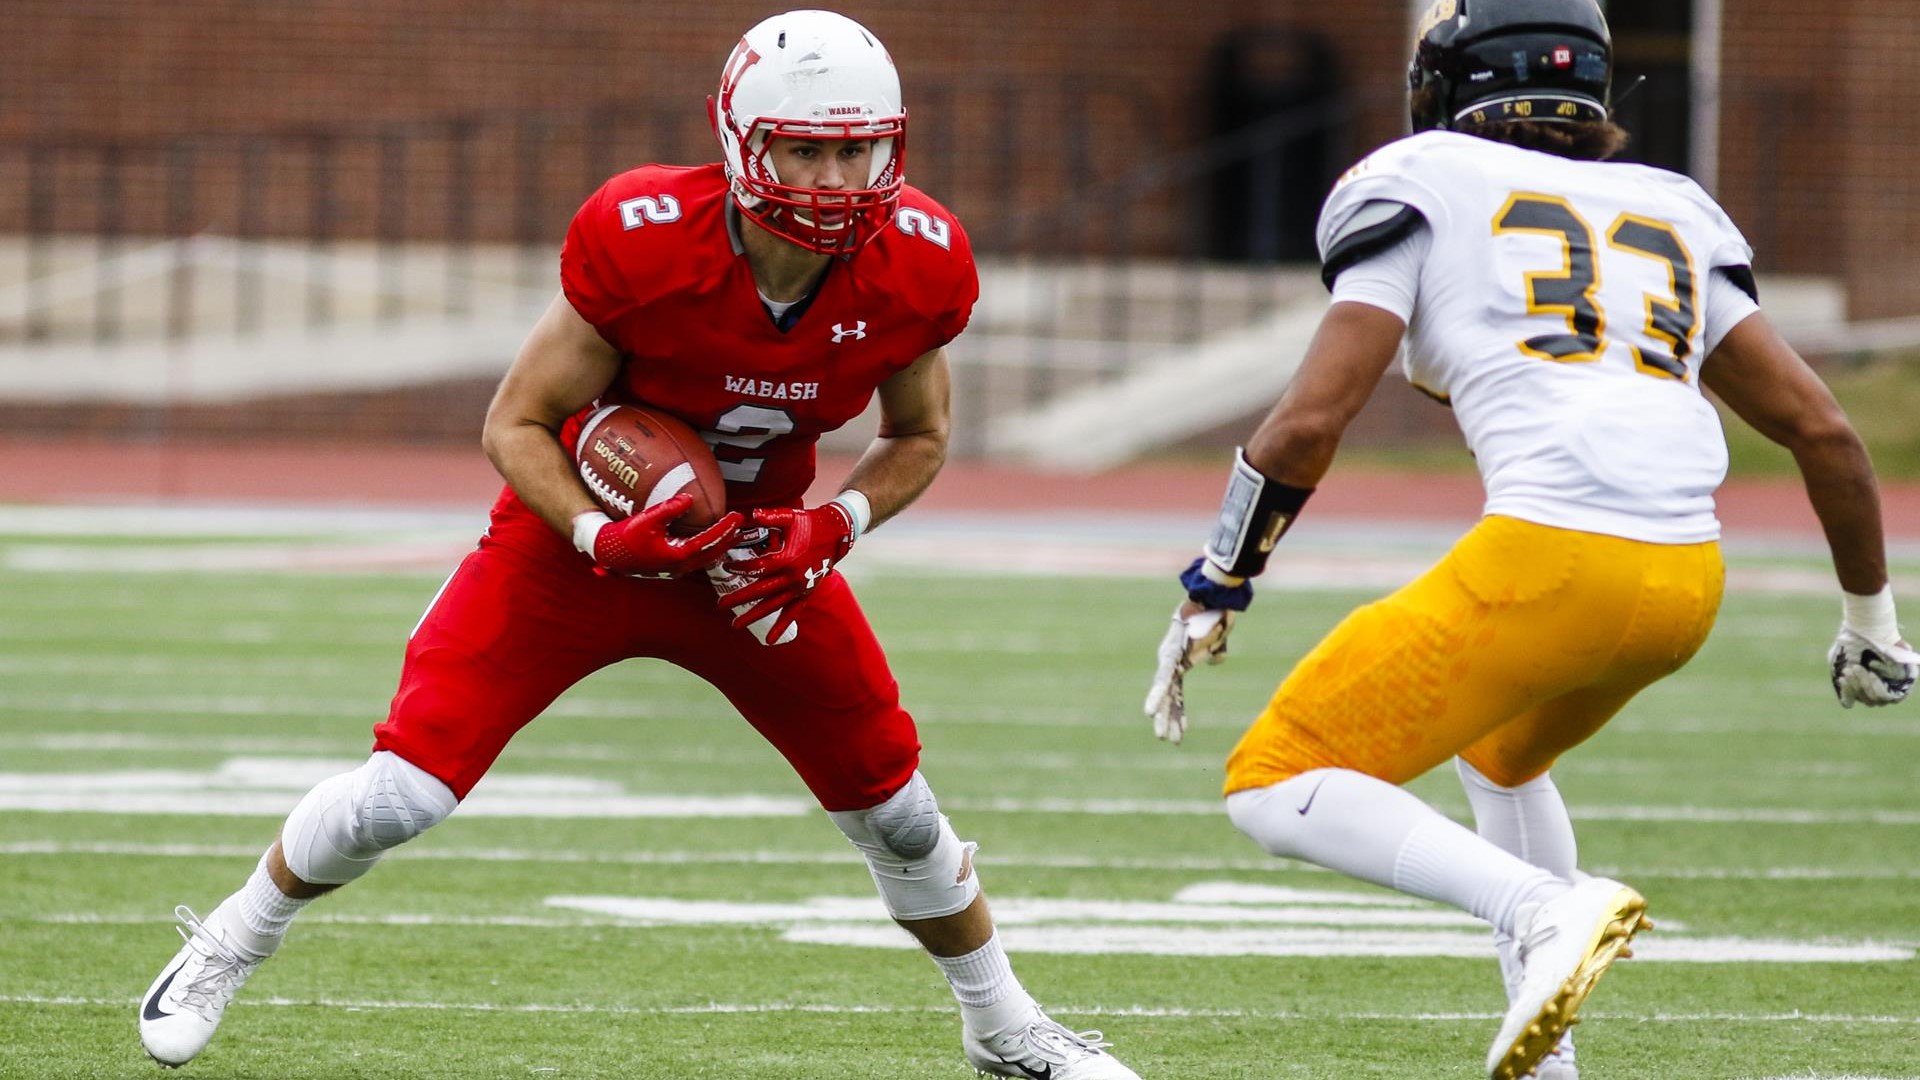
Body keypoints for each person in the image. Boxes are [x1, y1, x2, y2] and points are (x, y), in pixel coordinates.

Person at [137, 11, 1140, 1079]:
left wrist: (829, 525)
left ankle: (1002, 1026)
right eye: (805, 150)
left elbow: (920, 435)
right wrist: (597, 531)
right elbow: (515, 422)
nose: (835, 179)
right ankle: (233, 938)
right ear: (742, 142)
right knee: (403, 795)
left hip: (755, 563)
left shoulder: (918, 263)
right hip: (578, 550)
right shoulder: (646, 236)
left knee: (896, 810)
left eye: (857, 149)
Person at [1143, 2, 1917, 1079]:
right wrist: (1871, 622)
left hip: (1555, 562)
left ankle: (1544, 907)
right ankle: (1553, 1063)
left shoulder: (1421, 177)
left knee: (1274, 780)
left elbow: (1309, 423)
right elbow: (1823, 432)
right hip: (1686, 586)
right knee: (1503, 758)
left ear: (1451, 85)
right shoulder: (1674, 203)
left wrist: (1218, 580)